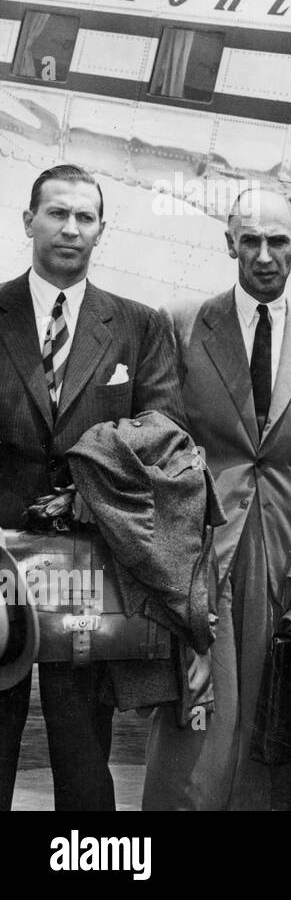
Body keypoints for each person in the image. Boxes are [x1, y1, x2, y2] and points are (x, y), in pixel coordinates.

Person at [143, 187, 291, 810]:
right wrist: (174, 555)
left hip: (285, 549)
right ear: (229, 242)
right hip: (201, 543)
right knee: (196, 711)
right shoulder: (181, 326)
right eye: (251, 240)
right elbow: (163, 444)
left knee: (273, 708)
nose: (264, 255)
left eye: (278, 241)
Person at [0, 164, 183, 811]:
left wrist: (90, 481)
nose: (70, 228)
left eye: (84, 216)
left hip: (86, 560)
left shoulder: (137, 324)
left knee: (84, 755)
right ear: (29, 221)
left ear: (101, 229)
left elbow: (164, 428)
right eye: (57, 213)